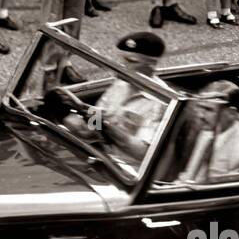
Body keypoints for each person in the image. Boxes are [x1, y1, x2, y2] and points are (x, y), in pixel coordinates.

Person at [57, 31, 168, 162]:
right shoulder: (120, 84)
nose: (122, 67)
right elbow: (96, 126)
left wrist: (107, 127)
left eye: (131, 61)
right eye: (121, 60)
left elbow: (143, 153)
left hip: (128, 169)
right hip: (102, 155)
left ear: (152, 64)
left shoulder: (161, 102)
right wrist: (80, 114)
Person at [178, 80, 239, 182]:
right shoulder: (207, 133)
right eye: (200, 108)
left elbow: (228, 196)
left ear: (231, 113)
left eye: (208, 110)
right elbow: (189, 176)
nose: (200, 115)